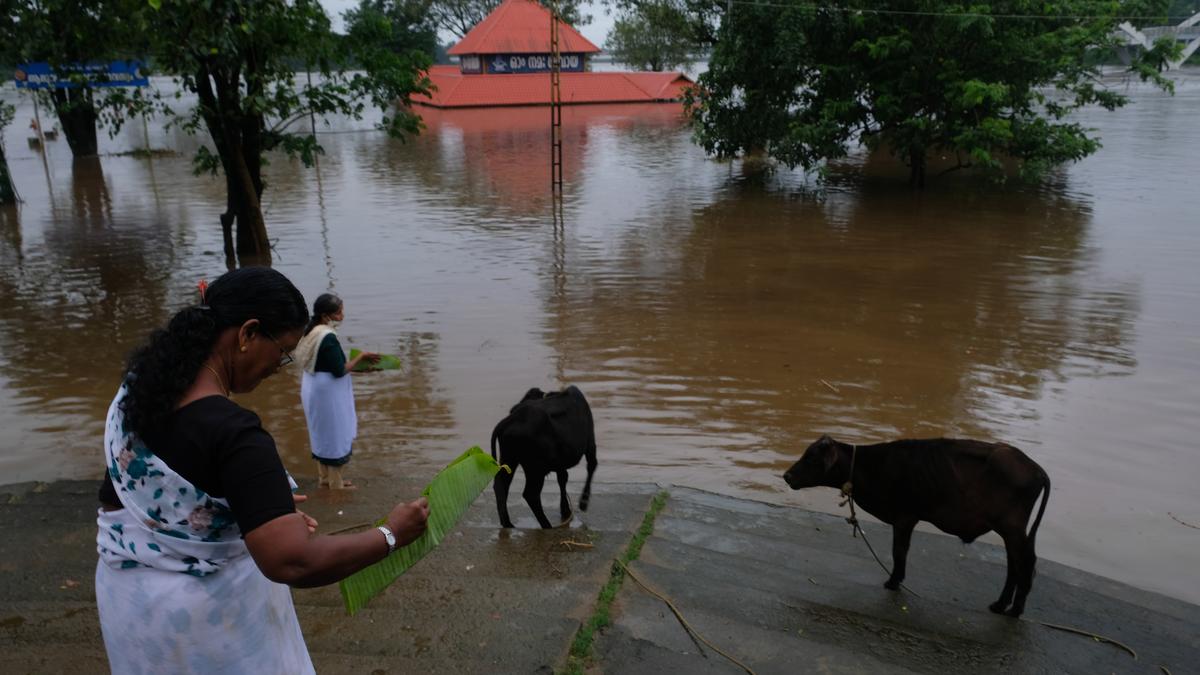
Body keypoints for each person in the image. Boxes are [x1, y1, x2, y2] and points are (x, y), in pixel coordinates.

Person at [95, 267, 429, 673]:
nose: (280, 365)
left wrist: (250, 508)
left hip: (133, 607)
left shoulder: (139, 391)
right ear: (247, 334)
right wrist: (391, 533)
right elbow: (291, 560)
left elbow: (137, 496)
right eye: (283, 350)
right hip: (207, 623)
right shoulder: (236, 433)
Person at [293, 293, 378, 490]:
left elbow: (330, 364)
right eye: (338, 311)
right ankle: (336, 484)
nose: (342, 314)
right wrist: (362, 357)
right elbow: (339, 370)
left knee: (320, 432)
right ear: (326, 315)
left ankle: (324, 478)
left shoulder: (311, 330)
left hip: (312, 384)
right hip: (327, 391)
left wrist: (360, 367)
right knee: (335, 433)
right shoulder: (327, 337)